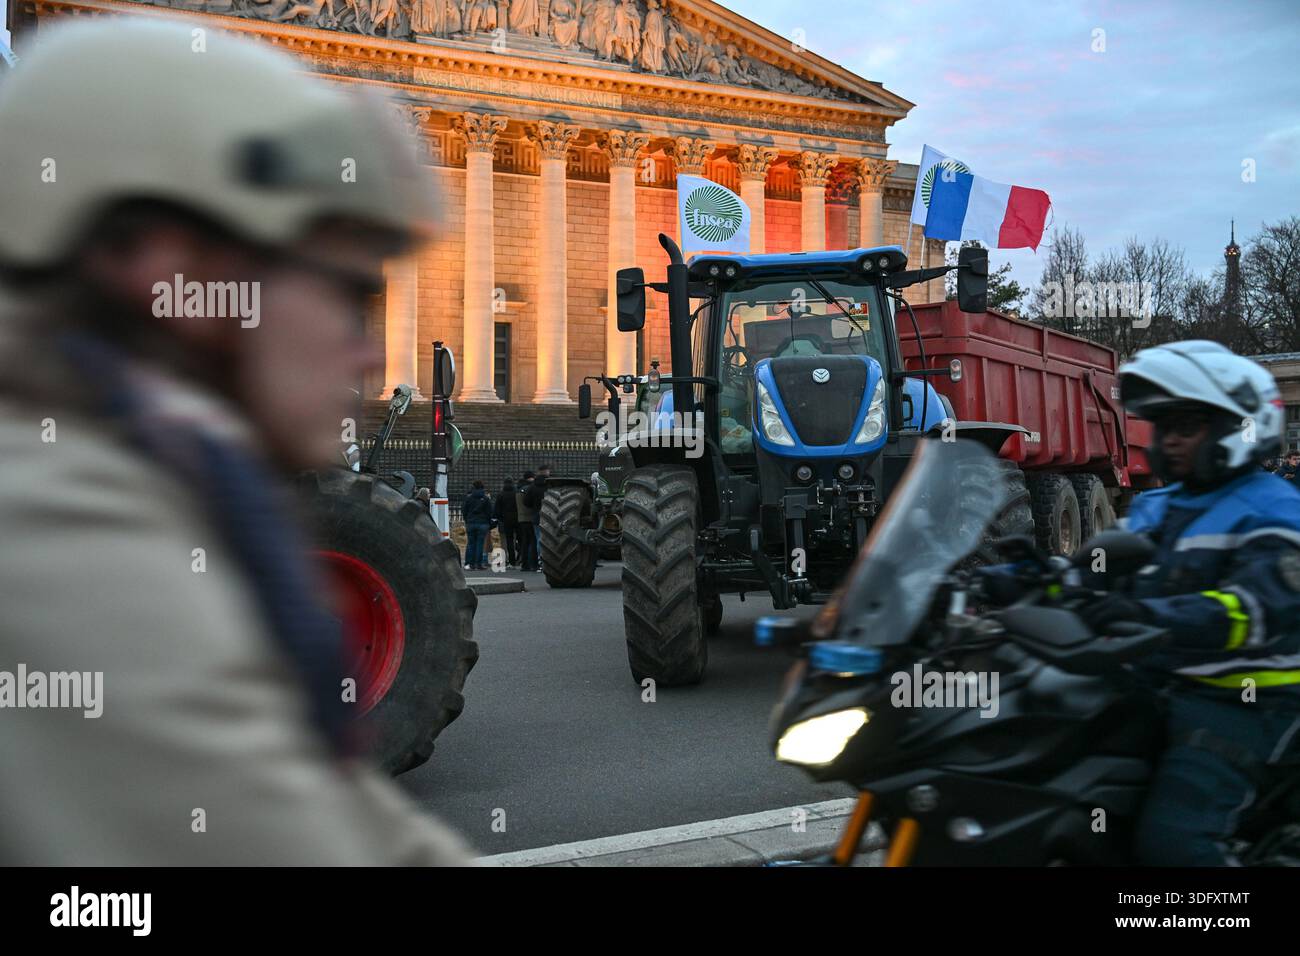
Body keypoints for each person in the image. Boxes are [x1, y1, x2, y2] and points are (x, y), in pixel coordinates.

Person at [0, 20, 471, 864]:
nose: (368, 351)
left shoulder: (163, 483)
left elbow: (341, 815)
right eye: (349, 293)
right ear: (173, 265)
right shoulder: (54, 524)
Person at [1077, 341, 1300, 866]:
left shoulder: (1275, 511)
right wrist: (1017, 576)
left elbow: (1252, 610)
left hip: (1251, 705)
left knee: (1174, 841)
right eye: (1163, 426)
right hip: (1161, 687)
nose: (1169, 440)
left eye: (1187, 427)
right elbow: (1094, 572)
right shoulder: (1157, 506)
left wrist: (1148, 616)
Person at [461, 480, 493, 571]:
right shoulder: (485, 498)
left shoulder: (469, 498)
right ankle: (478, 563)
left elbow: (464, 510)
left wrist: (467, 519)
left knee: (471, 543)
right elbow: (489, 512)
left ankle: (470, 563)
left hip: (471, 523)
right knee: (480, 543)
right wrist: (487, 521)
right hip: (482, 523)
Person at [515, 471, 540, 572]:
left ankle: (524, 564)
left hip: (521, 518)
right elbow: (529, 504)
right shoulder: (529, 489)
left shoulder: (518, 489)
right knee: (533, 541)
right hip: (530, 517)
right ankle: (532, 563)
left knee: (525, 542)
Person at [494, 477, 519, 568]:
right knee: (516, 540)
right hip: (517, 519)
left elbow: (497, 509)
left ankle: (509, 561)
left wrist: (501, 518)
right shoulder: (516, 493)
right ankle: (516, 559)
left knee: (508, 541)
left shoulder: (501, 494)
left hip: (506, 520)